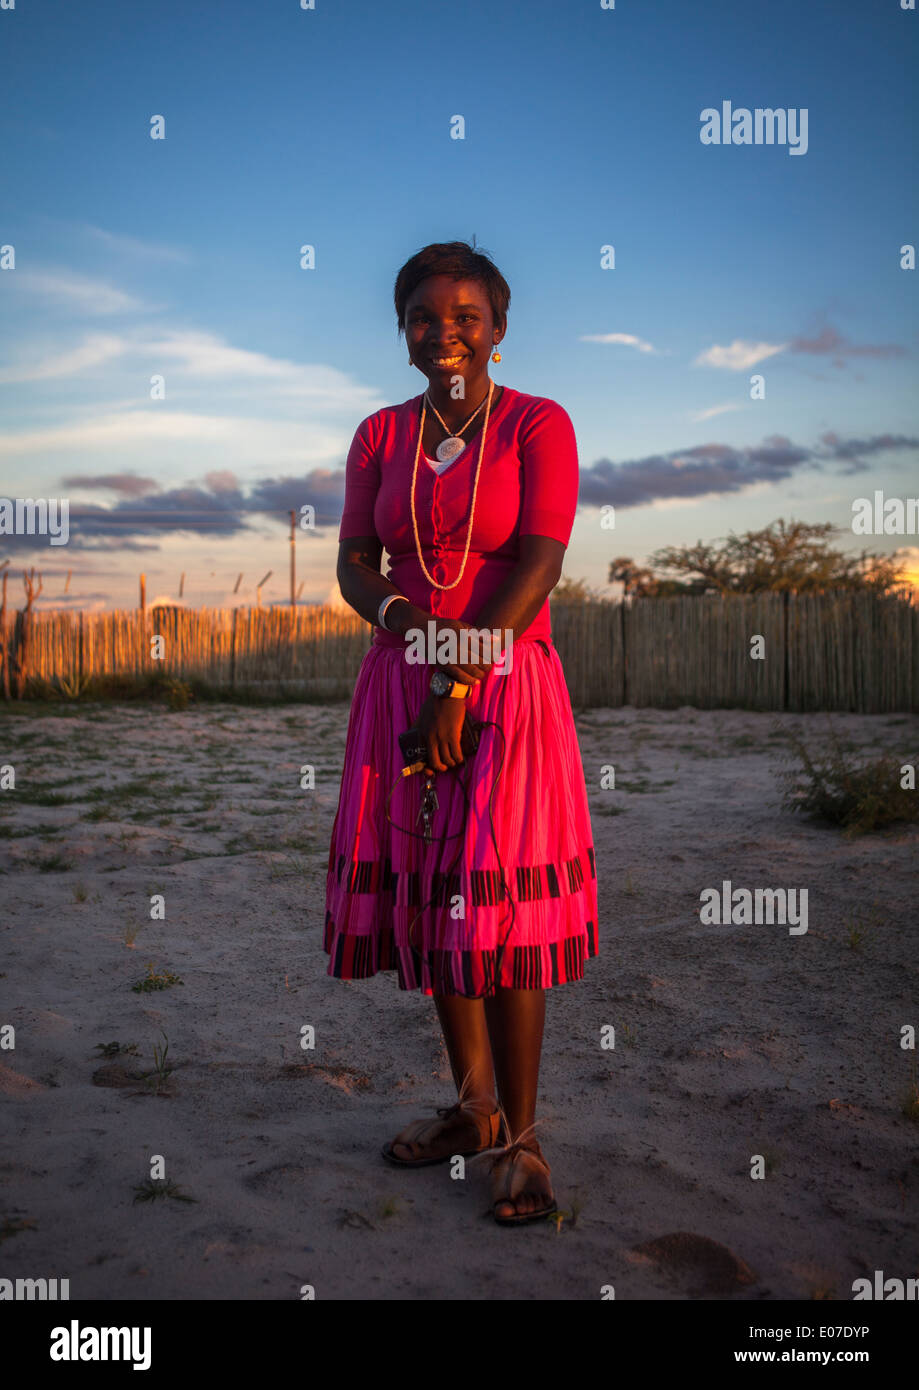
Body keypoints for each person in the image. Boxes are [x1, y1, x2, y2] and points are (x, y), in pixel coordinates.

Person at [325, 240, 599, 1225]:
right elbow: (357, 565)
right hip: (402, 684)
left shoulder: (537, 423)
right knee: (442, 903)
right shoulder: (377, 436)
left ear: (499, 327)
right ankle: (474, 1107)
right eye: (423, 317)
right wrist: (410, 631)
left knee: (501, 915)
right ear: (402, 334)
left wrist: (458, 670)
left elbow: (537, 561)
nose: (445, 330)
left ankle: (523, 1142)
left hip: (503, 682)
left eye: (466, 314)